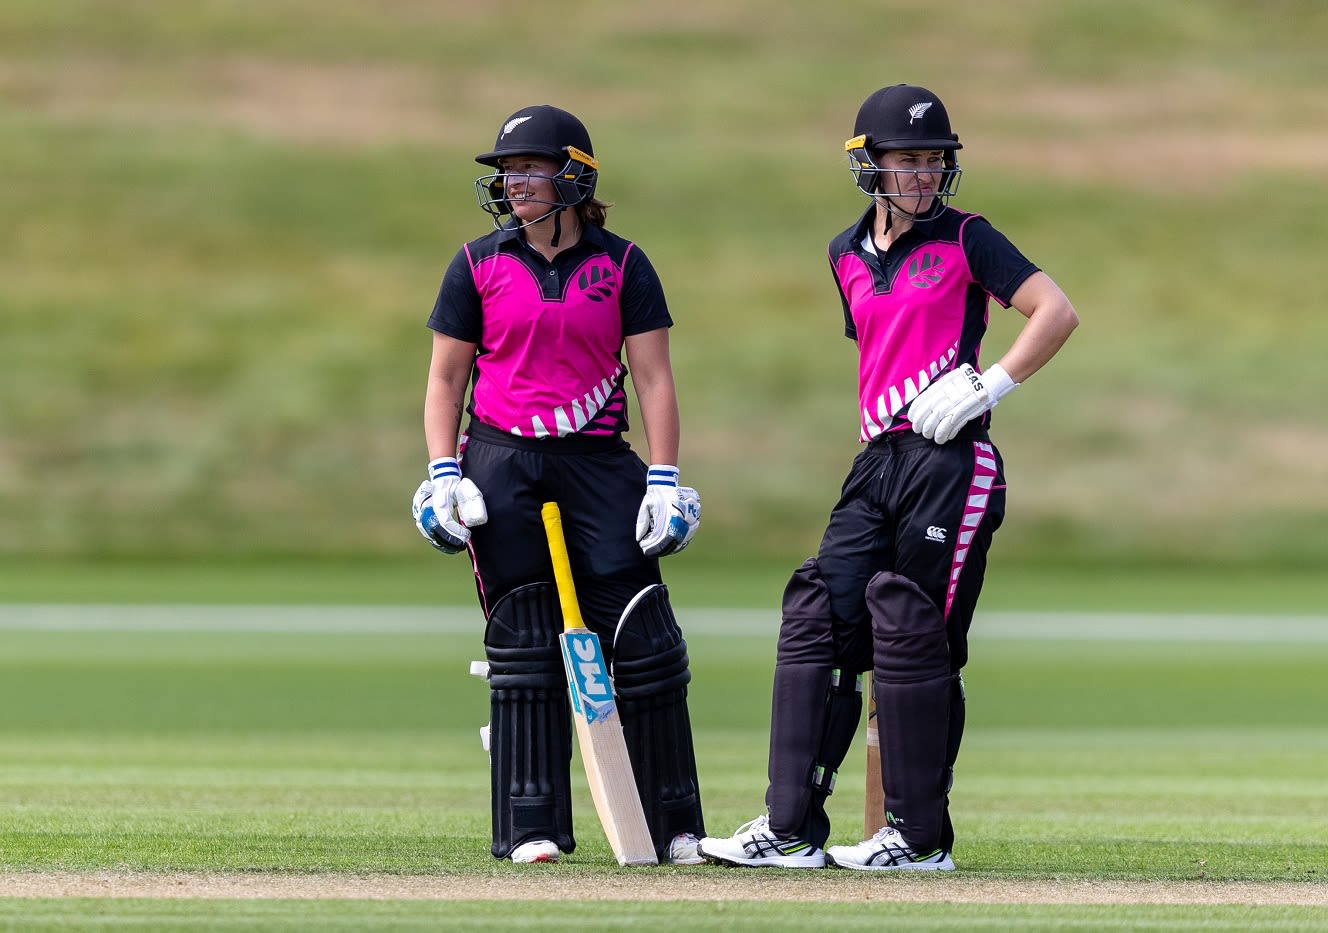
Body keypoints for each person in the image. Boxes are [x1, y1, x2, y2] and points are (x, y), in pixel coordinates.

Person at [699, 84, 1078, 871]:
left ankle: (918, 837)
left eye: (935, 160)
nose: (924, 175)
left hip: (951, 456)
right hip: (876, 459)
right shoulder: (844, 254)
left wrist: (987, 384)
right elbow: (879, 350)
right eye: (907, 161)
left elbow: (1055, 311)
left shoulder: (970, 238)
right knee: (818, 613)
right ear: (868, 165)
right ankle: (790, 824)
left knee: (914, 633)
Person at [410, 104, 707, 865]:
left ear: (574, 176)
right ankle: (531, 823)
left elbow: (653, 378)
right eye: (507, 174)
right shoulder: (477, 263)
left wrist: (665, 478)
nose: (514, 185)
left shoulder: (624, 264)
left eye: (530, 171)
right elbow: (446, 380)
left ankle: (671, 825)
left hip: (601, 465)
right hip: (501, 462)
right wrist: (444, 471)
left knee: (641, 638)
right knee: (526, 638)